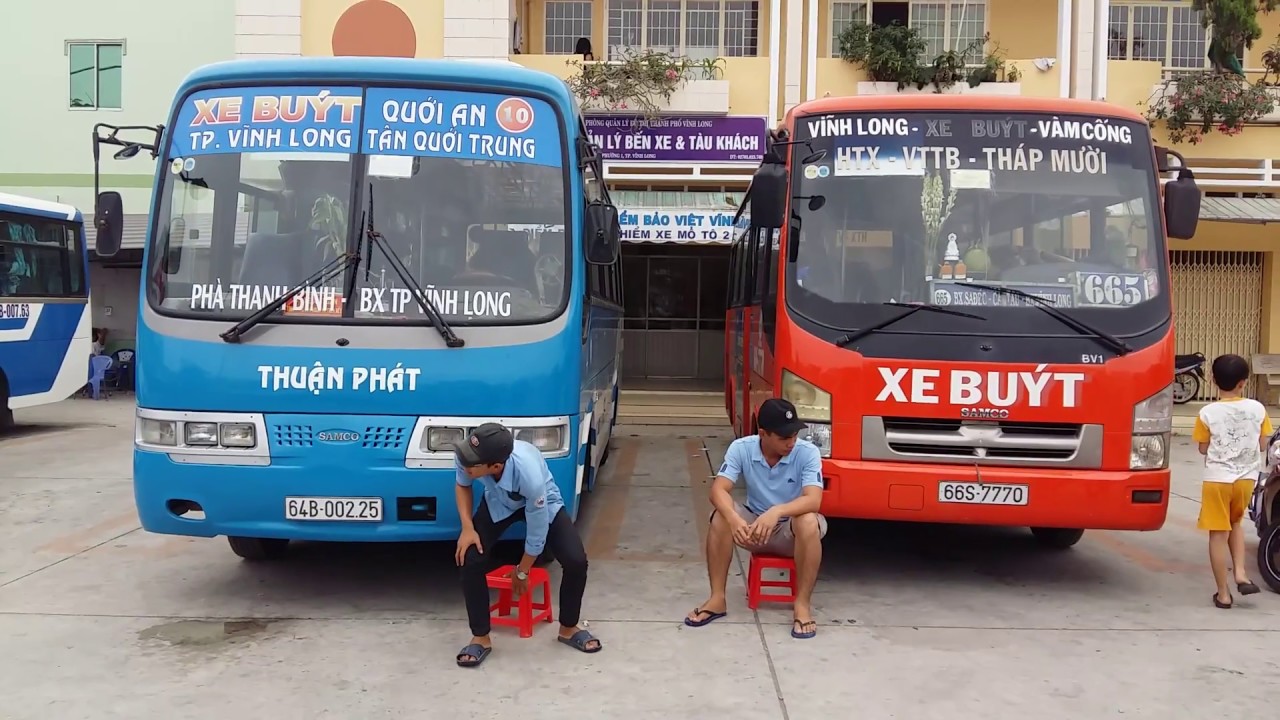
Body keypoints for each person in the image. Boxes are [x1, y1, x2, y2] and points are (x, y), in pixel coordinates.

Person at [452, 422, 602, 666]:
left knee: (576, 560)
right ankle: (480, 637)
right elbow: (462, 485)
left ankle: (568, 628)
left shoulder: (529, 476)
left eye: (471, 462)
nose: (463, 462)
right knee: (469, 557)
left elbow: (537, 530)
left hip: (543, 504)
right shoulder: (469, 455)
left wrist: (522, 571)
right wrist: (468, 528)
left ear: (496, 466)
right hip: (499, 502)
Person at [685, 398, 828, 638]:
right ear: (763, 433)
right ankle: (717, 599)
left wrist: (777, 511)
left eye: (794, 435)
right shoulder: (741, 448)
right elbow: (718, 490)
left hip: (789, 533)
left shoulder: (808, 452)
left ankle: (802, 605)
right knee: (720, 515)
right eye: (783, 438)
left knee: (808, 520)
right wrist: (734, 518)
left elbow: (814, 500)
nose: (791, 442)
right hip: (753, 529)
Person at [1192, 353, 1269, 608]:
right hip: (1246, 479)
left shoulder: (1206, 412)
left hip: (1217, 481)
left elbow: (1203, 449)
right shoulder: (1257, 408)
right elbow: (1262, 443)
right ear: (1243, 382)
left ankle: (1223, 594)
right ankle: (1240, 572)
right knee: (1235, 523)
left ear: (1213, 381)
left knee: (1218, 533)